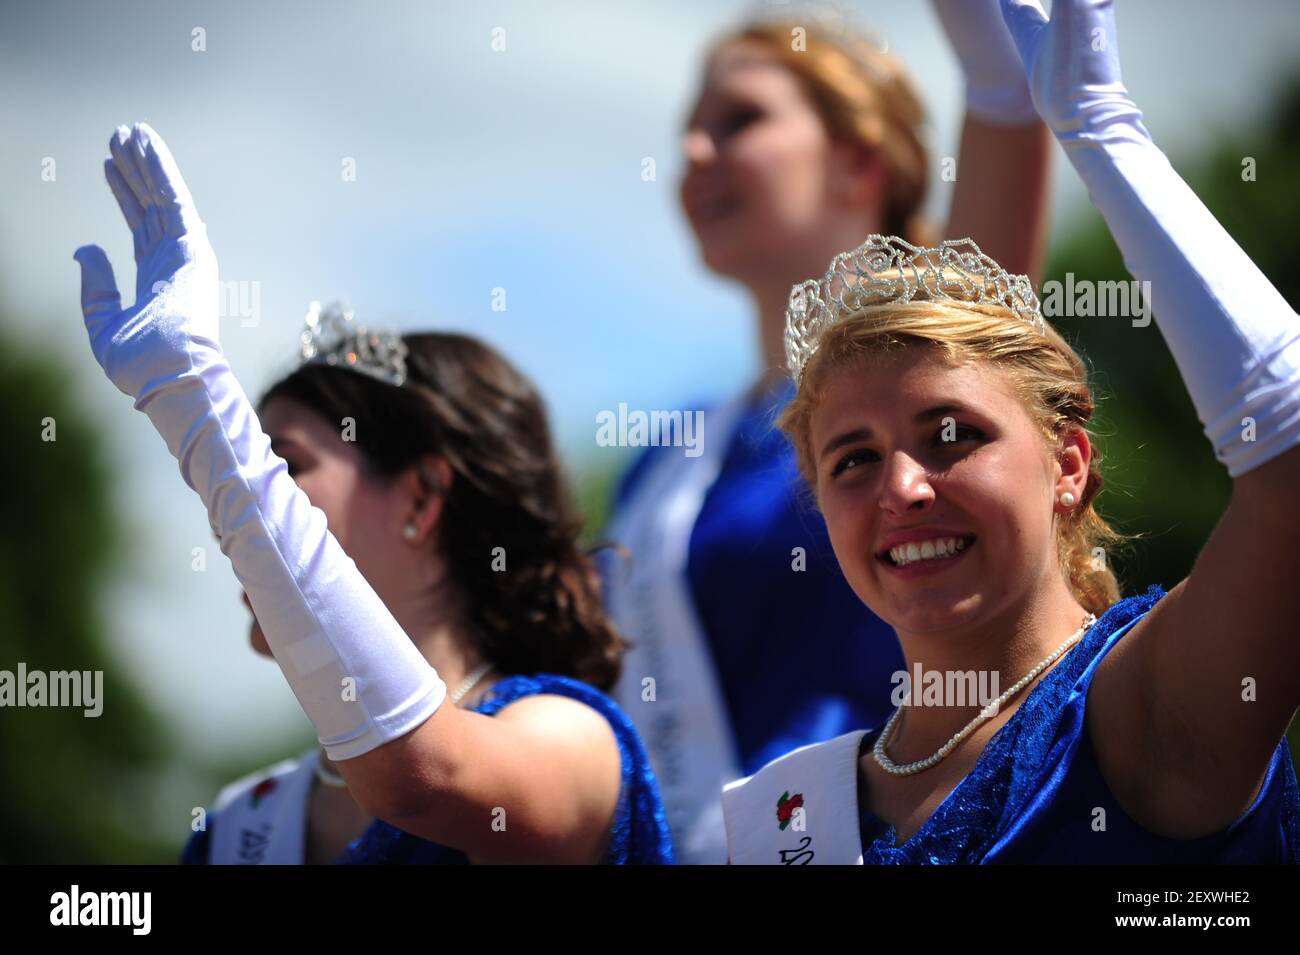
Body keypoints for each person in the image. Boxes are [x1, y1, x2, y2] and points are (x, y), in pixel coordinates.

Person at [721, 0, 1300, 863]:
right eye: (854, 459)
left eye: (951, 433)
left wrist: (1101, 128)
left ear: (1068, 462)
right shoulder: (789, 814)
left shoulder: (1142, 709)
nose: (903, 487)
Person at [73, 128, 673, 864]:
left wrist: (191, 394)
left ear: (421, 499)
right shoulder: (240, 825)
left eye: (283, 464)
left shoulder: (570, 738)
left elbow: (423, 779)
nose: (240, 509)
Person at [603, 0, 1053, 863]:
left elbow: (1006, 92)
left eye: (740, 120)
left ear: (857, 161)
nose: (694, 152)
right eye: (688, 131)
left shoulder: (943, 363)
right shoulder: (663, 461)